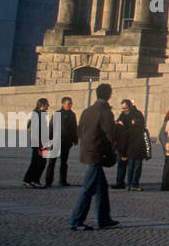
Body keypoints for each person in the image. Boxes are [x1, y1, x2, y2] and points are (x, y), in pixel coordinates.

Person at [69, 82, 120, 231]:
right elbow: (111, 135)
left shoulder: (87, 111)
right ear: (109, 95)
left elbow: (79, 132)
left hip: (87, 152)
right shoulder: (105, 112)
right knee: (88, 188)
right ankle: (76, 220)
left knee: (101, 187)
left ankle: (104, 218)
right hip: (96, 154)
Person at [43, 96, 77, 187]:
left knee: (64, 162)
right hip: (56, 141)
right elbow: (51, 127)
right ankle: (48, 180)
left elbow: (74, 128)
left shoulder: (72, 114)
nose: (70, 105)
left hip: (67, 142)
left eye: (71, 103)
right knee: (52, 162)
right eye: (68, 103)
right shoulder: (57, 114)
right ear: (63, 104)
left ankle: (63, 180)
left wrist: (75, 139)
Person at [116, 100, 148, 191]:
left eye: (125, 108)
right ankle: (128, 184)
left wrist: (126, 125)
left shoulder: (137, 114)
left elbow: (140, 128)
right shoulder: (122, 115)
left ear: (130, 106)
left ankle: (133, 183)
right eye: (122, 108)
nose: (124, 110)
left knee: (136, 165)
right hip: (127, 144)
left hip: (138, 143)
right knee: (130, 165)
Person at [23, 98, 51, 188]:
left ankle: (28, 180)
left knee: (36, 162)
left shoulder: (38, 114)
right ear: (42, 105)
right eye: (47, 104)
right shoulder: (37, 115)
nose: (48, 106)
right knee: (40, 162)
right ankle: (34, 180)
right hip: (39, 143)